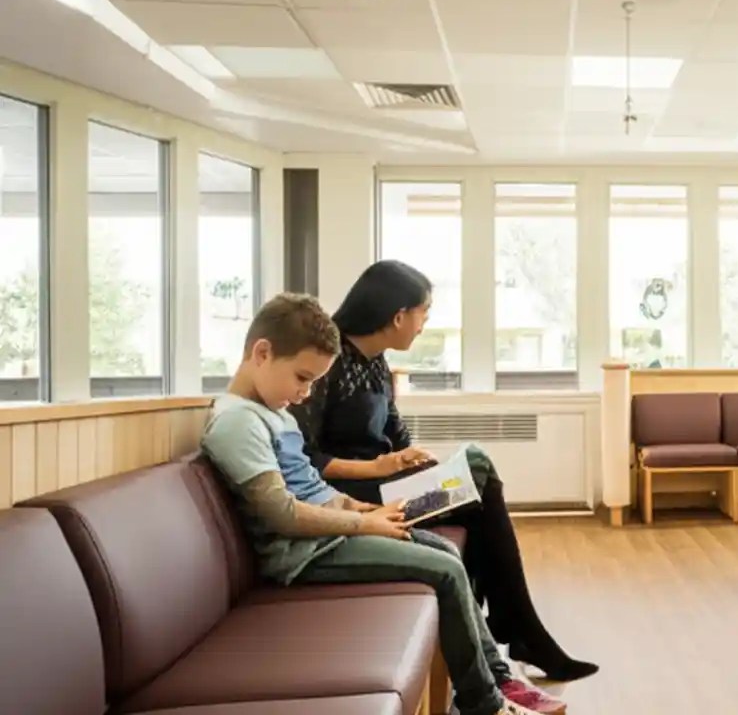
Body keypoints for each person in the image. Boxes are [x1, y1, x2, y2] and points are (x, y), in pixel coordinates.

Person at [200, 293, 559, 715]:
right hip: (302, 554)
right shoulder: (236, 420)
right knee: (444, 568)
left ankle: (494, 679)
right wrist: (366, 525)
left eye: (312, 382)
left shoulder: (270, 413)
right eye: (301, 378)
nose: (304, 394)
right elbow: (282, 513)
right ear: (262, 352)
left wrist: (362, 510)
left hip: (329, 536)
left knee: (444, 550)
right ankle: (486, 703)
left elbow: (311, 487)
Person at [291, 260, 597, 683]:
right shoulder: (330, 363)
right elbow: (306, 458)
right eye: (424, 312)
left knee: (477, 486)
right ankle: (520, 632)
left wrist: (415, 458)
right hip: (364, 502)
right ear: (398, 316)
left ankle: (512, 631)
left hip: (390, 485)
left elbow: (393, 429)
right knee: (478, 467)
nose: (424, 324)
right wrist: (375, 467)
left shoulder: (375, 362)